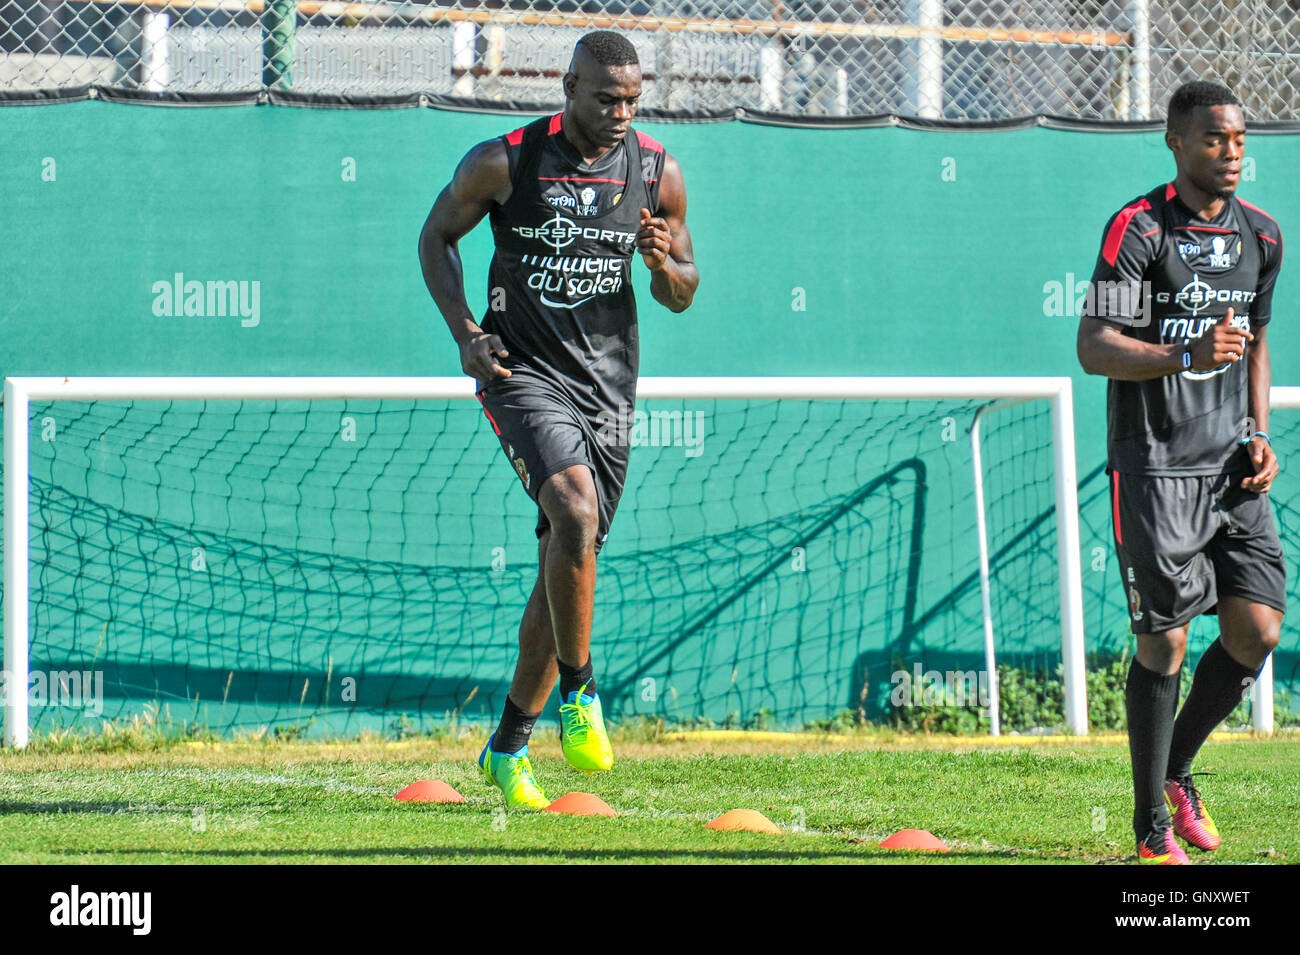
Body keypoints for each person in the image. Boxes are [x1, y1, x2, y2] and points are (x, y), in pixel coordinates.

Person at [418, 30, 699, 808]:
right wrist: (467, 335)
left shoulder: (656, 169)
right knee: (572, 509)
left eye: (632, 100)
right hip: (521, 373)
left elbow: (684, 287)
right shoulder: (503, 161)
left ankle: (507, 747)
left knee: (566, 558)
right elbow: (436, 236)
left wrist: (661, 264)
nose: (619, 113)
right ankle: (582, 690)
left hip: (608, 392)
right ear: (567, 84)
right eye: (605, 97)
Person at [1077, 80, 1284, 864]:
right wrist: (1181, 354)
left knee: (1258, 627)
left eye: (1238, 139)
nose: (1230, 153)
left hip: (1231, 466)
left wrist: (1259, 431)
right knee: (1163, 645)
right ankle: (1150, 832)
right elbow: (1093, 345)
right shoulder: (1137, 229)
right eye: (1212, 140)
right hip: (1155, 466)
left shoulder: (1262, 235)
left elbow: (1258, 339)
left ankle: (1179, 770)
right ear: (1175, 142)